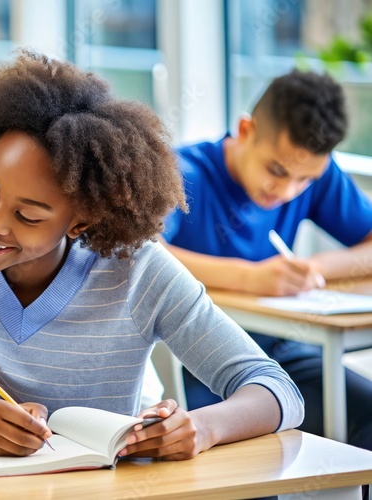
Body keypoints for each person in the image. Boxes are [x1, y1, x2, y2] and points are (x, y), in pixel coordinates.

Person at [0, 51, 304, 460]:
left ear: (80, 223)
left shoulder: (139, 270)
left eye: (27, 216)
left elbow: (277, 390)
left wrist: (201, 427)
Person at [161, 69, 372, 451]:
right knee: (249, 454)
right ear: (246, 130)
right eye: (277, 170)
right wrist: (250, 277)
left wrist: (317, 268)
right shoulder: (181, 173)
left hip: (280, 354)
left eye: (304, 179)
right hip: (200, 364)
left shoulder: (315, 174)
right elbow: (143, 251)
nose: (288, 190)